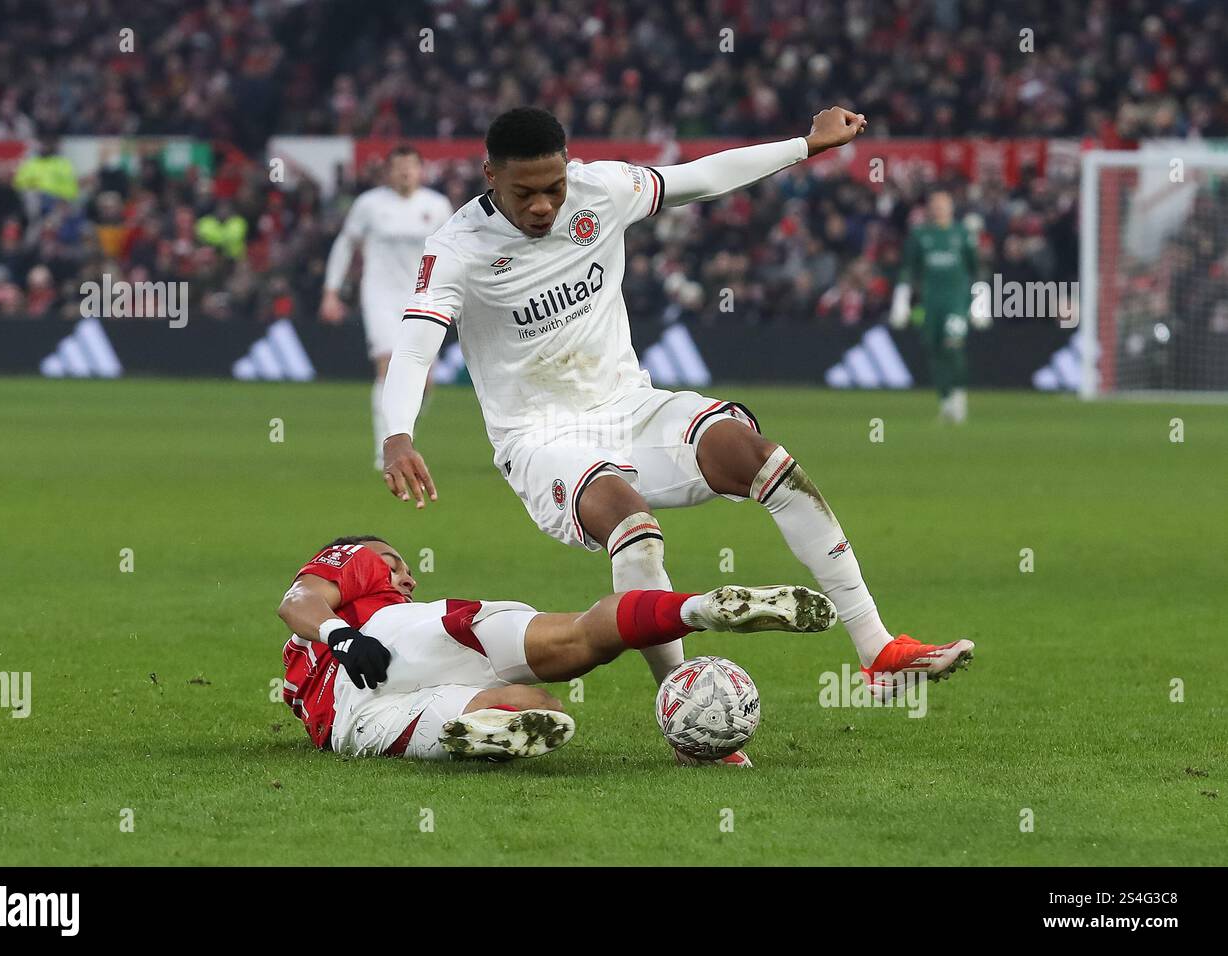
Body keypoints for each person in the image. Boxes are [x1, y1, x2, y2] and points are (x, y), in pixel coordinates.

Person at [380, 106, 975, 766]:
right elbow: (412, 351)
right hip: (541, 436)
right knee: (632, 525)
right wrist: (398, 434)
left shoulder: (601, 190)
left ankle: (876, 647)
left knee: (759, 458)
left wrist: (805, 144)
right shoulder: (456, 247)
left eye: (554, 187)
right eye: (525, 193)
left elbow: (702, 176)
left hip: (633, 406)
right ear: (490, 175)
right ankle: (688, 721)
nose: (545, 205)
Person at [277, 535, 837, 763]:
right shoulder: (359, 561)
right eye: (395, 564)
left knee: (543, 709)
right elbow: (297, 597)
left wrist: (332, 639)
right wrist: (343, 634)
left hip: (354, 725)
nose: (406, 574)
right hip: (390, 640)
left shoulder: (295, 669)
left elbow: (298, 637)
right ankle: (695, 608)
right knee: (578, 637)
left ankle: (487, 732)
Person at [321, 146, 453, 467]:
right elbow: (345, 244)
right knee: (389, 364)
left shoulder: (436, 206)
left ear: (421, 171)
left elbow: (454, 251)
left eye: (411, 167)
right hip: (380, 296)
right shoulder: (370, 204)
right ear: (388, 172)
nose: (405, 172)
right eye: (399, 167)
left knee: (425, 380)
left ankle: (403, 432)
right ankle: (385, 451)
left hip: (424, 298)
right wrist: (331, 291)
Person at [890, 190, 988, 422]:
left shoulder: (963, 234)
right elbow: (908, 269)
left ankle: (959, 396)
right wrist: (901, 300)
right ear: (930, 209)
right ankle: (945, 401)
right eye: (935, 205)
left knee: (953, 347)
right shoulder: (920, 235)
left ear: (951, 208)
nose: (939, 209)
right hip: (931, 302)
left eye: (944, 205)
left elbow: (977, 269)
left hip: (956, 301)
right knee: (934, 351)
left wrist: (981, 304)